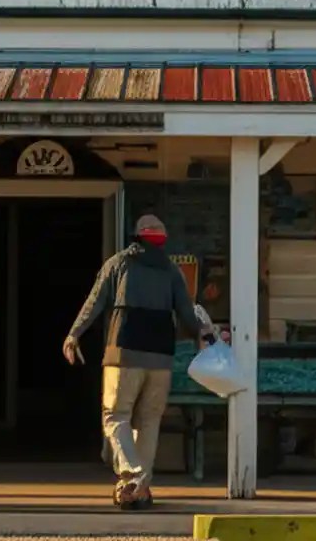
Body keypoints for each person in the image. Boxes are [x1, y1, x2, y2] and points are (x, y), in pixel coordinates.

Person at [62, 214, 210, 510]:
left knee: (116, 416)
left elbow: (95, 302)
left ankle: (134, 472)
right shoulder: (172, 270)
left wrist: (73, 334)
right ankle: (136, 490)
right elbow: (186, 314)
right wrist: (205, 334)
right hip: (161, 357)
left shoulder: (118, 264)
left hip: (124, 354)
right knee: (149, 421)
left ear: (136, 237)